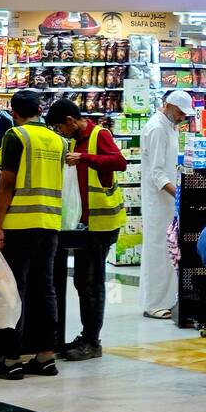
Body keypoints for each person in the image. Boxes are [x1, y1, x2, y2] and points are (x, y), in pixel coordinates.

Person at [0, 90, 65, 380]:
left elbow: (7, 182)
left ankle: (11, 360)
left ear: (13, 113)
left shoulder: (15, 136)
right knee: (45, 289)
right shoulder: (59, 140)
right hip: (50, 224)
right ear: (40, 110)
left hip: (20, 223)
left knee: (13, 289)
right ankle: (46, 357)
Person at [47, 98, 127, 360]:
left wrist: (84, 158)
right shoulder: (73, 141)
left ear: (71, 121)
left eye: (61, 127)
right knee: (82, 281)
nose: (61, 132)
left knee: (92, 282)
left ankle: (92, 342)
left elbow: (119, 161)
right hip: (83, 224)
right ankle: (86, 337)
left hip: (101, 224)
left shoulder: (98, 135)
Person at [139, 90, 194, 319]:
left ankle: (165, 299)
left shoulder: (168, 126)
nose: (183, 117)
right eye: (181, 112)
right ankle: (154, 303)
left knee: (167, 250)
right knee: (158, 251)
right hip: (159, 201)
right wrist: (179, 195)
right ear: (169, 106)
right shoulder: (158, 128)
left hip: (166, 202)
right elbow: (157, 174)